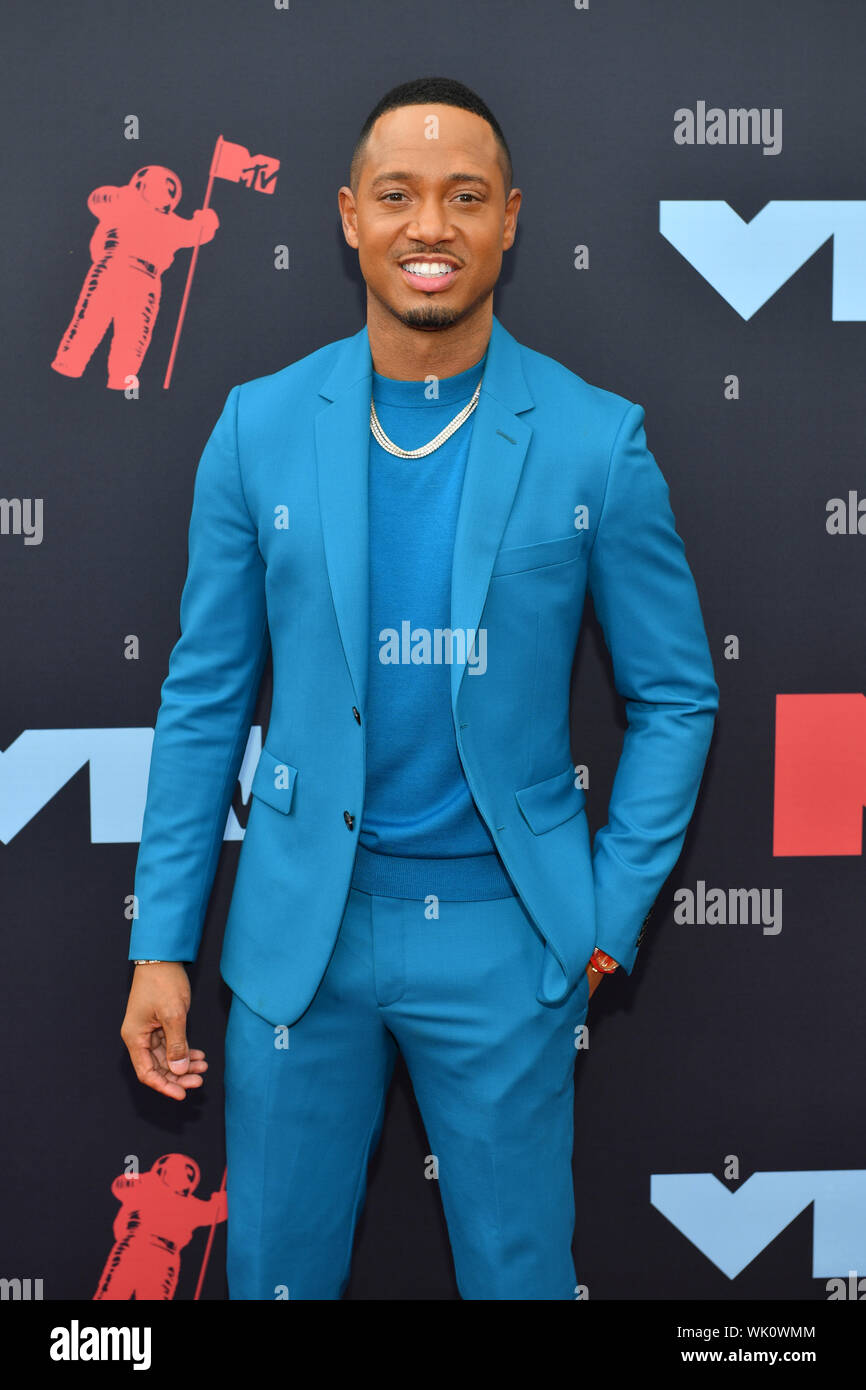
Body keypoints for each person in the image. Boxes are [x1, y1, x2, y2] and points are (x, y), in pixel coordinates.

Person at [121, 75, 719, 1300]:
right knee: (273, 1278)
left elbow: (676, 696)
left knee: (518, 1281)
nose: (429, 226)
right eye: (396, 195)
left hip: (510, 942)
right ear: (348, 217)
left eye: (463, 197)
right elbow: (202, 701)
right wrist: (161, 944)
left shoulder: (594, 440)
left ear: (509, 219)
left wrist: (602, 919)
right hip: (298, 941)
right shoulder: (256, 428)